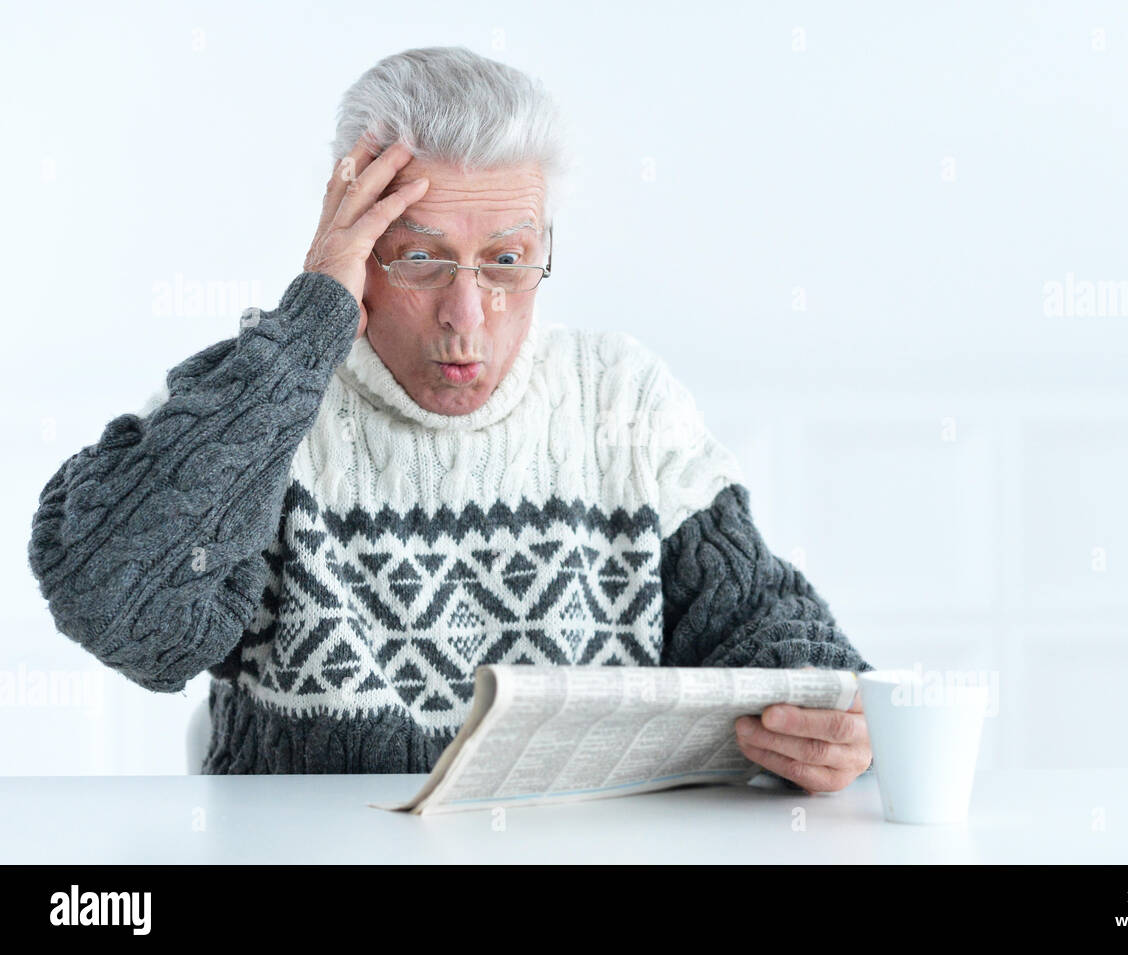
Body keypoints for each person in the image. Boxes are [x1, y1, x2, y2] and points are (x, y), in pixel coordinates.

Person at [26, 46, 873, 791]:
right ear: (354, 242)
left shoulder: (622, 398)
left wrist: (833, 724)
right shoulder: (264, 394)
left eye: (507, 261)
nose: (467, 315)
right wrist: (308, 323)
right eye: (421, 257)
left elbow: (767, 637)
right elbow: (118, 605)